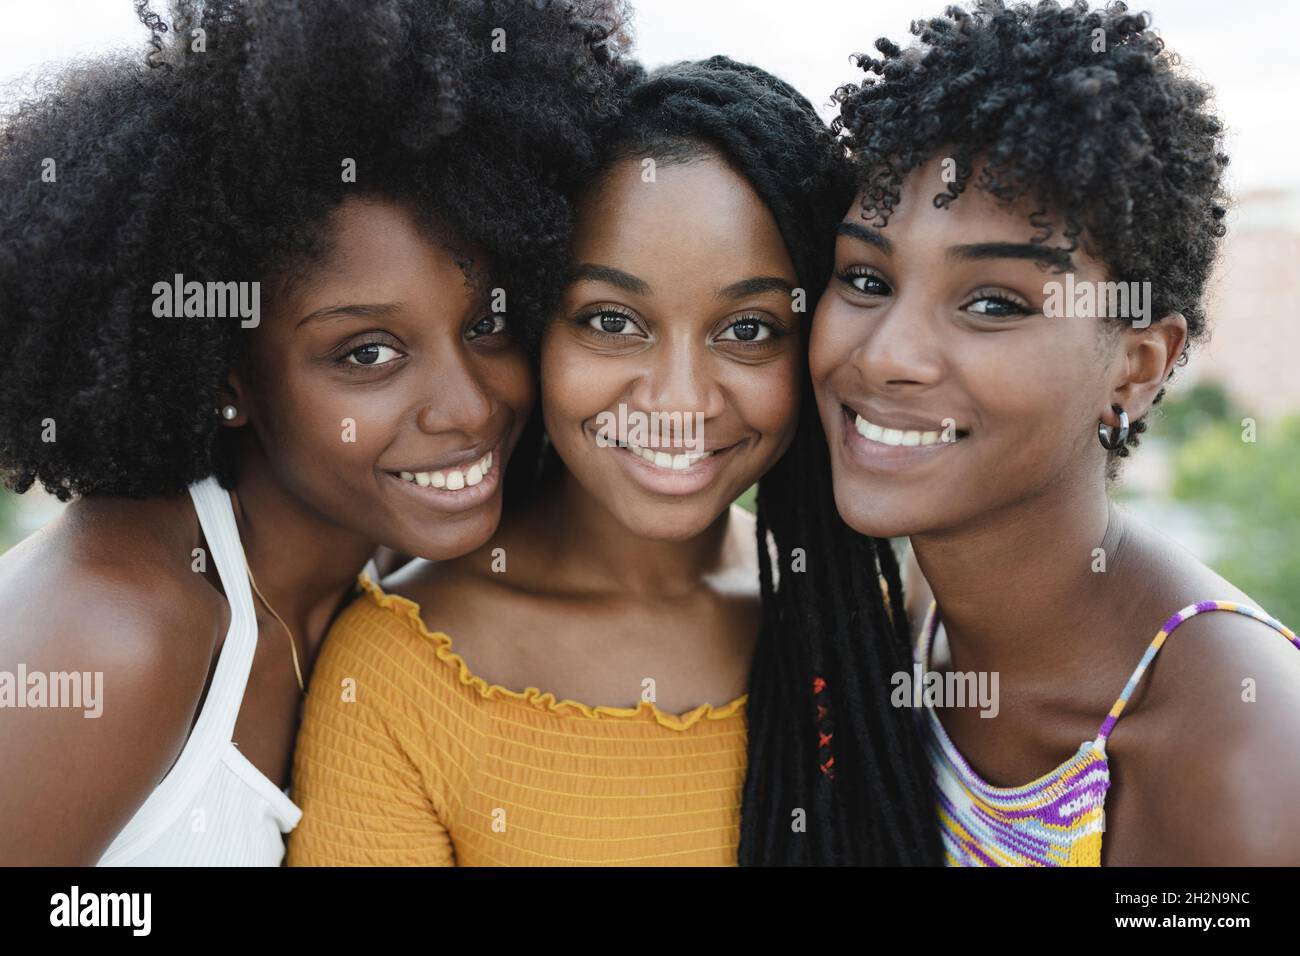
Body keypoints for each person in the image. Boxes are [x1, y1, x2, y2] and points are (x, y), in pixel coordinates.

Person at [0, 0, 630, 865]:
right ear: (229, 380)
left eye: (488, 324)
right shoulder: (119, 631)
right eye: (367, 352)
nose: (470, 408)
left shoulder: (388, 583)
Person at [287, 56, 941, 866]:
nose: (678, 402)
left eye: (747, 330)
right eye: (610, 320)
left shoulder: (861, 630)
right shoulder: (401, 676)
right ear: (533, 326)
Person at [812, 0, 1300, 865]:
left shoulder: (1236, 741)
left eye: (993, 303)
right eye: (865, 278)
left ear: (1139, 366)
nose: (888, 356)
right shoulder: (920, 623)